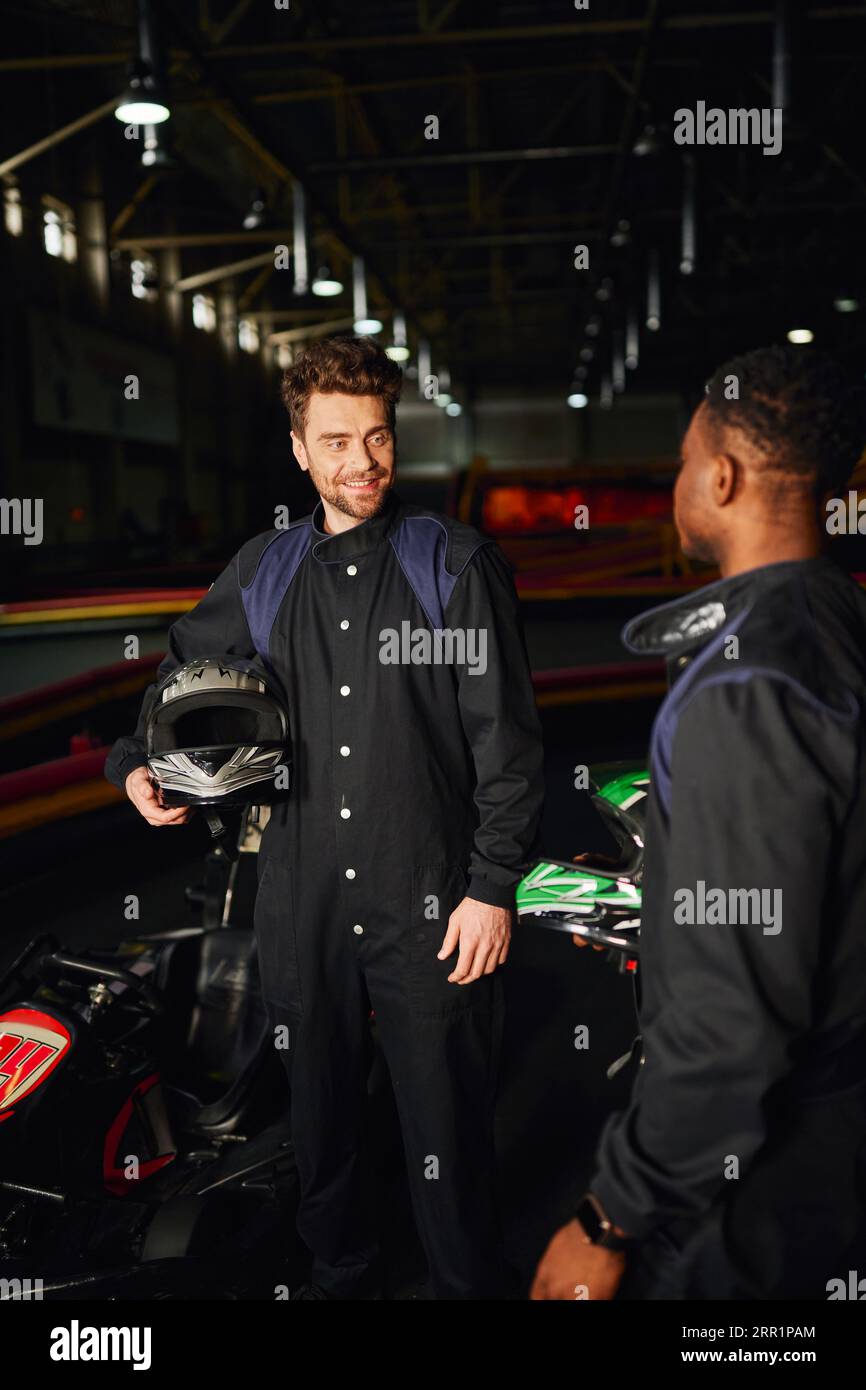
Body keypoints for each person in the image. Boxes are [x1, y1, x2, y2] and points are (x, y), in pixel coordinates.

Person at [105, 335, 545, 1300]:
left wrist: (491, 886)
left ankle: (469, 1283)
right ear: (299, 450)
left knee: (448, 1121)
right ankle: (340, 1274)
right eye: (337, 442)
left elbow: (507, 745)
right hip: (301, 896)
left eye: (378, 439)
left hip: (433, 896)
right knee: (322, 1117)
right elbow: (181, 677)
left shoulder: (456, 567)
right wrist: (140, 763)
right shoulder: (265, 571)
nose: (362, 464)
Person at [532, 343, 866, 1300]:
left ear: (721, 477)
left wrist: (610, 1216)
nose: (676, 482)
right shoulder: (835, 619)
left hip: (764, 1176)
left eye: (682, 462)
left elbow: (733, 1026)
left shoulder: (742, 686)